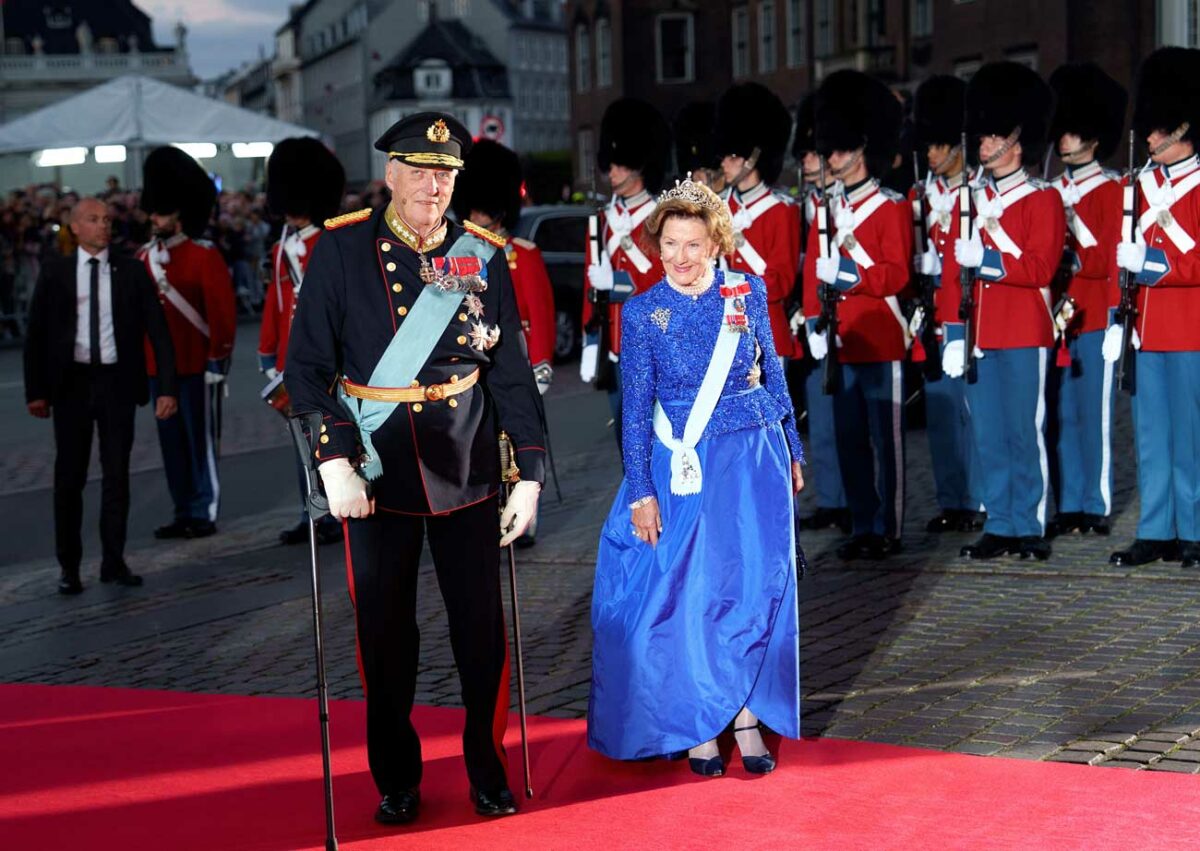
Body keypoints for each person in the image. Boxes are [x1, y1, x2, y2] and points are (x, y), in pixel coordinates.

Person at [286, 112, 546, 823]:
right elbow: (306, 370)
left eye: (446, 173)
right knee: (385, 636)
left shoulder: (481, 253)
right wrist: (333, 458)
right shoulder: (341, 252)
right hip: (377, 472)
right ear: (390, 174)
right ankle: (395, 775)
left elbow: (511, 373)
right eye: (419, 171)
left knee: (480, 635)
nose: (433, 186)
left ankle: (487, 769)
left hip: (466, 465)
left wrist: (528, 471)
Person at [588, 176, 805, 777]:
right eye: (670, 245)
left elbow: (774, 373)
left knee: (750, 586)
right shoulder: (642, 312)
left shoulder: (747, 294)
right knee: (692, 591)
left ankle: (745, 714)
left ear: (716, 244)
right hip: (682, 463)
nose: (680, 259)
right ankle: (699, 722)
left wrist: (792, 449)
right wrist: (640, 490)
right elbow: (634, 407)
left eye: (693, 244)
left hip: (752, 461)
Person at [942, 62, 1065, 561]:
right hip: (978, 333)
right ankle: (1001, 521)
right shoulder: (967, 202)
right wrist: (953, 332)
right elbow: (953, 277)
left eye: (994, 136)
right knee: (988, 433)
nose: (984, 144)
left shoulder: (1043, 199)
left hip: (1023, 329)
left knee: (1022, 430)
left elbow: (1039, 267)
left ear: (1017, 142)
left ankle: (1029, 522)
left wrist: (988, 258)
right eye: (984, 134)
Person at [23, 197, 178, 594]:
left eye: (107, 219)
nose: (103, 226)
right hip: (71, 385)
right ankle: (69, 567)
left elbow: (158, 331)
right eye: (93, 220)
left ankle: (113, 561)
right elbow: (36, 334)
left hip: (116, 384)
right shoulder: (55, 272)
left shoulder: (130, 270)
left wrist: (166, 388)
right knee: (69, 478)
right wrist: (36, 392)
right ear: (75, 227)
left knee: (117, 476)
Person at [804, 69, 911, 560]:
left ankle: (888, 527)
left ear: (861, 147)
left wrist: (848, 275)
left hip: (882, 336)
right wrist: (813, 323)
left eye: (840, 149)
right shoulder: (826, 210)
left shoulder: (890, 208)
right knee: (849, 438)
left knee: (885, 442)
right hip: (841, 339)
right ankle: (862, 524)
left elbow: (896, 276)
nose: (832, 158)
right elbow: (811, 277)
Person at [1110, 47, 1200, 569]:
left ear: (1180, 125)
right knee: (1150, 436)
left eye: (1156, 126)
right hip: (1147, 329)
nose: (1147, 136)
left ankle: (1194, 529)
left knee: (1191, 435)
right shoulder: (1138, 186)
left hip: (1190, 327)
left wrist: (1155, 261)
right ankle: (1156, 529)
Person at [452, 138, 556, 546]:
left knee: (520, 441)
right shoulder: (458, 255)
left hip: (518, 362)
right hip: (476, 365)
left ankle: (525, 518)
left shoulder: (521, 255)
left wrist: (542, 365)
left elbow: (541, 315)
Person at [137, 147, 236, 540]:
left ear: (179, 213)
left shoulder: (202, 256)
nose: (154, 218)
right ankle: (183, 508)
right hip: (158, 371)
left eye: (161, 212)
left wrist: (217, 359)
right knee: (172, 445)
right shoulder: (144, 258)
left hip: (197, 364)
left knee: (199, 444)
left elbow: (222, 316)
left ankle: (202, 510)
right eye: (154, 212)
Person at [1045, 63, 1127, 538]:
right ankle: (1066, 501)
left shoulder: (1112, 188)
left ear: (1093, 138)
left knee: (1092, 415)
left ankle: (1093, 502)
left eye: (1074, 133)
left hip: (1094, 313)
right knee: (1059, 413)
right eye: (1063, 132)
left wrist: (1071, 223)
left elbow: (1106, 259)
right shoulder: (1052, 191)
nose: (1064, 141)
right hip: (1055, 318)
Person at [258, 137, 347, 546]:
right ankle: (311, 509)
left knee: (331, 435)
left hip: (326, 358)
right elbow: (275, 305)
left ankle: (337, 507)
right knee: (302, 440)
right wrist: (268, 354)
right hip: (291, 361)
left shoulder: (333, 241)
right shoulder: (281, 248)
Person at [912, 74, 985, 533]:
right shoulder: (921, 196)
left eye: (941, 146)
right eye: (930, 146)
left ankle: (979, 498)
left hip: (966, 311)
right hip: (933, 315)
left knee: (970, 412)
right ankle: (951, 497)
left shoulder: (977, 191)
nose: (934, 155)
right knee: (940, 413)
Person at [580, 98, 672, 450]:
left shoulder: (662, 215)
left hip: (653, 341)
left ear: (639, 164)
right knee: (626, 437)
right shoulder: (601, 220)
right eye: (610, 165)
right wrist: (590, 339)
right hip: (614, 343)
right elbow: (591, 285)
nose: (612, 173)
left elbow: (666, 280)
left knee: (656, 436)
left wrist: (624, 263)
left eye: (620, 165)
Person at [792, 92, 852, 535]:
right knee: (820, 415)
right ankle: (831, 497)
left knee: (846, 415)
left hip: (844, 316)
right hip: (809, 319)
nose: (811, 160)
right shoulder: (802, 204)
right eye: (808, 152)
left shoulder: (843, 202)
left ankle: (850, 498)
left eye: (817, 152)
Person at [715, 82, 802, 366]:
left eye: (732, 156)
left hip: (767, 336)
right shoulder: (718, 208)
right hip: (723, 336)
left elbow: (780, 283)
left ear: (752, 158)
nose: (724, 163)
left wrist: (731, 288)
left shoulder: (781, 211)